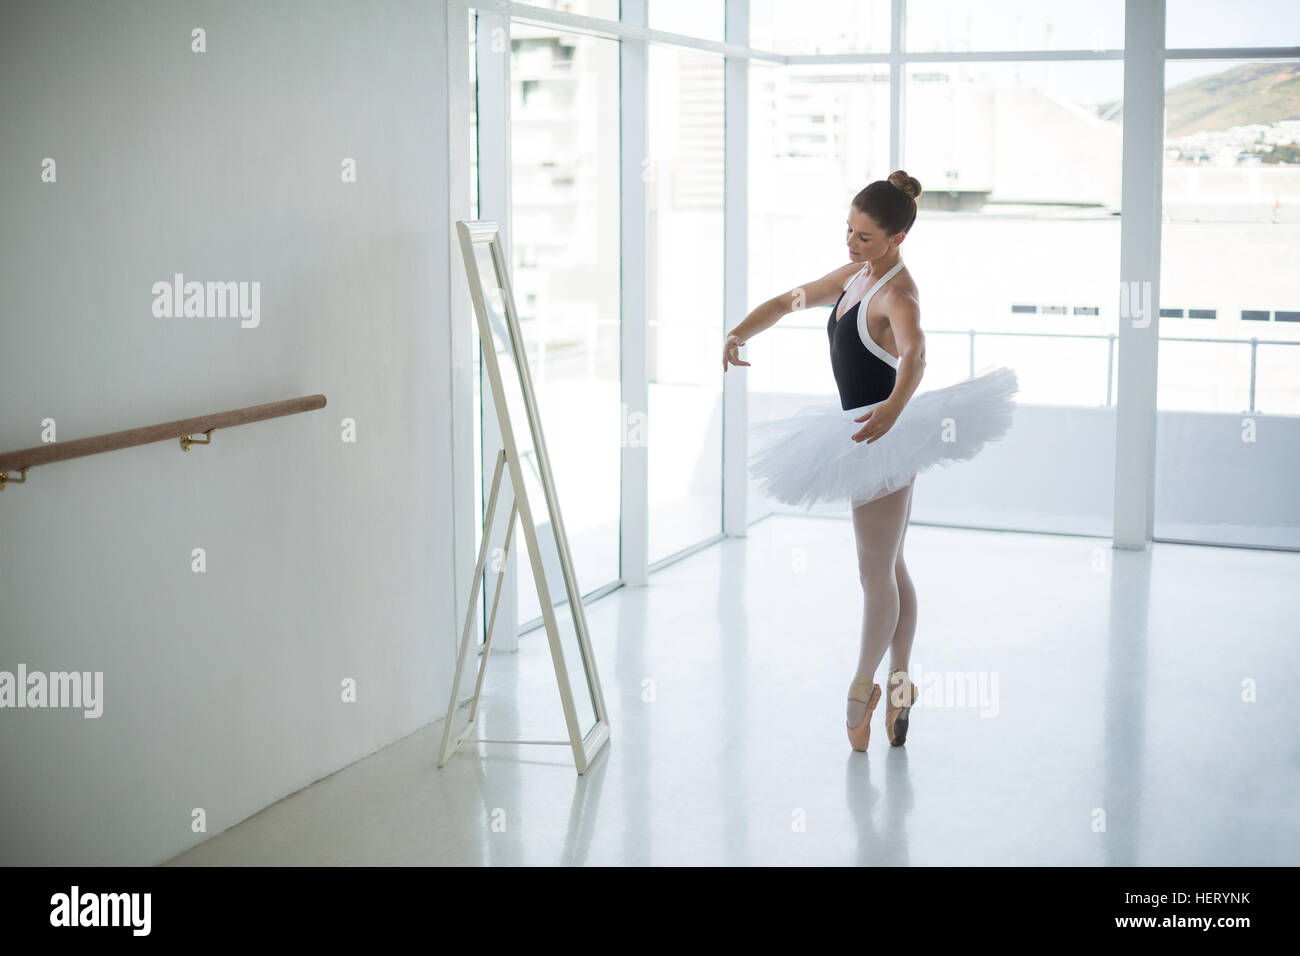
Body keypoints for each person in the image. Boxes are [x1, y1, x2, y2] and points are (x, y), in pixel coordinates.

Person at [722, 170, 1018, 752]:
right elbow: (787, 300)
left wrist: (891, 412)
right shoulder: (856, 278)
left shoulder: (896, 294)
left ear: (895, 239)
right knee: (891, 566)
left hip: (880, 436)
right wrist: (737, 333)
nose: (851, 244)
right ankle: (901, 681)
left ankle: (863, 690)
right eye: (848, 231)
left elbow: (915, 355)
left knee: (872, 572)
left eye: (863, 237)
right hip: (863, 431)